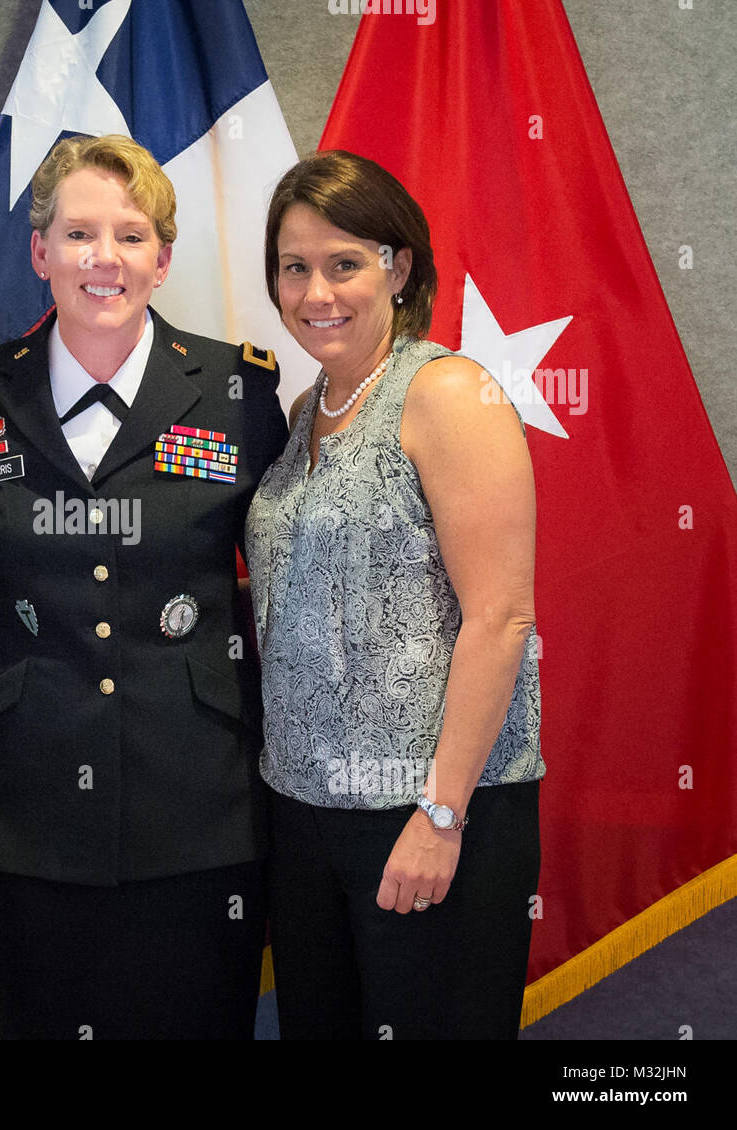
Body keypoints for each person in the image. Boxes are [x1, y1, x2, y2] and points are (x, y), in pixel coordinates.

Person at [0, 134, 290, 1039]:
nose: (105, 259)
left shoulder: (237, 394)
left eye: (131, 237)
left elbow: (286, 588)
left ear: (163, 260)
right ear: (38, 251)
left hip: (196, 801)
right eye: (79, 232)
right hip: (15, 801)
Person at [245, 150, 545, 1040]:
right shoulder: (308, 407)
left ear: (399, 265)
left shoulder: (448, 390)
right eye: (294, 267)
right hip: (304, 815)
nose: (316, 292)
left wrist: (440, 814)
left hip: (433, 814)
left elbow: (502, 617)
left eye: (344, 263)